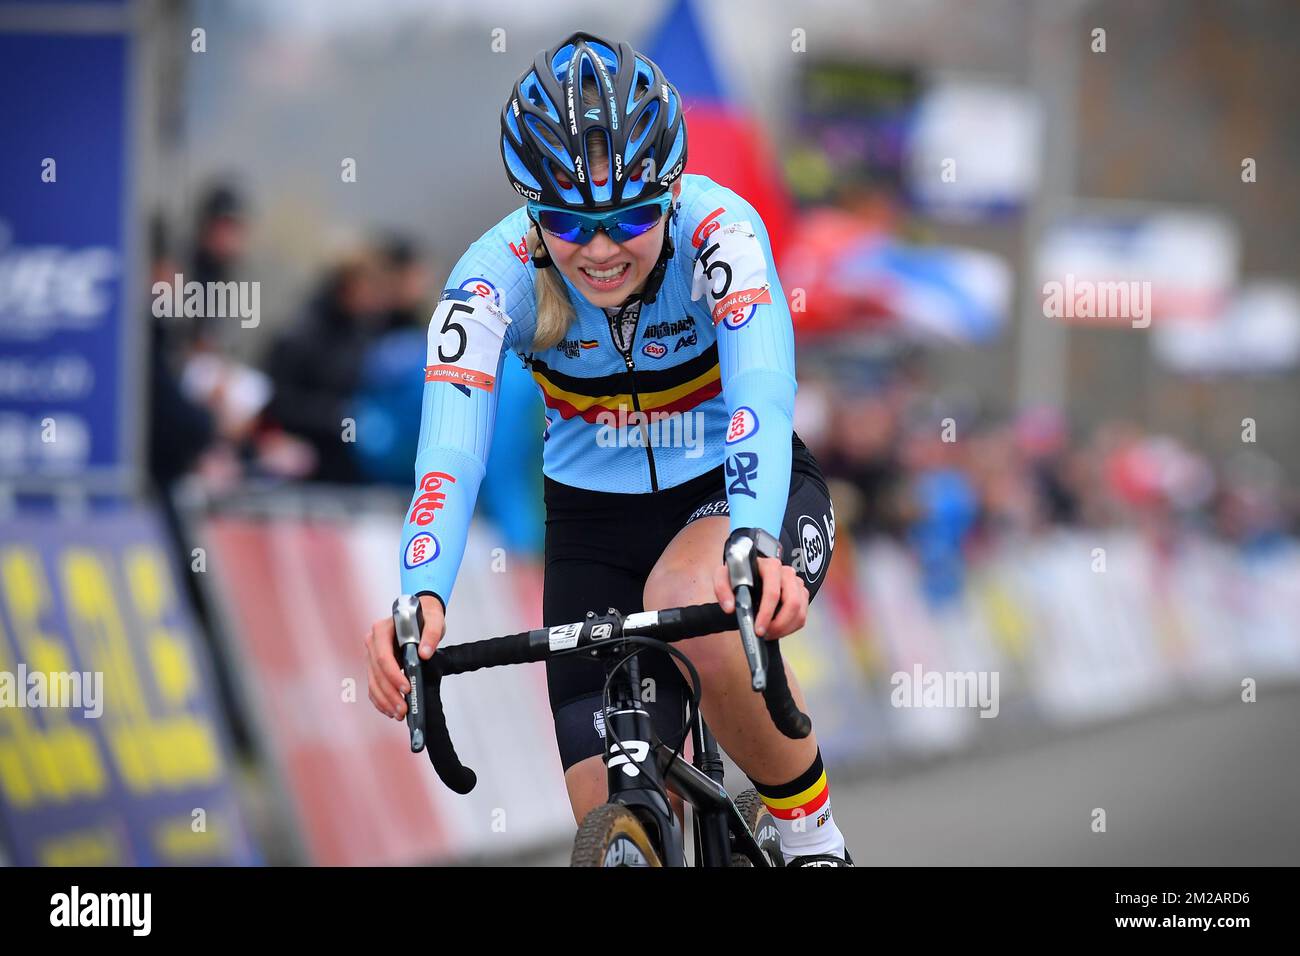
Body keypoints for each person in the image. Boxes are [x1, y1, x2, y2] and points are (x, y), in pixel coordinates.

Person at [364, 32, 851, 865]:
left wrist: (756, 539)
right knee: (610, 807)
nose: (599, 248)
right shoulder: (490, 280)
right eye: (567, 221)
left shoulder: (722, 234)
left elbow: (761, 400)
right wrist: (421, 596)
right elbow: (449, 457)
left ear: (669, 191)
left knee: (692, 606)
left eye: (630, 216)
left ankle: (812, 839)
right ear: (530, 208)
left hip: (730, 490)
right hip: (590, 527)